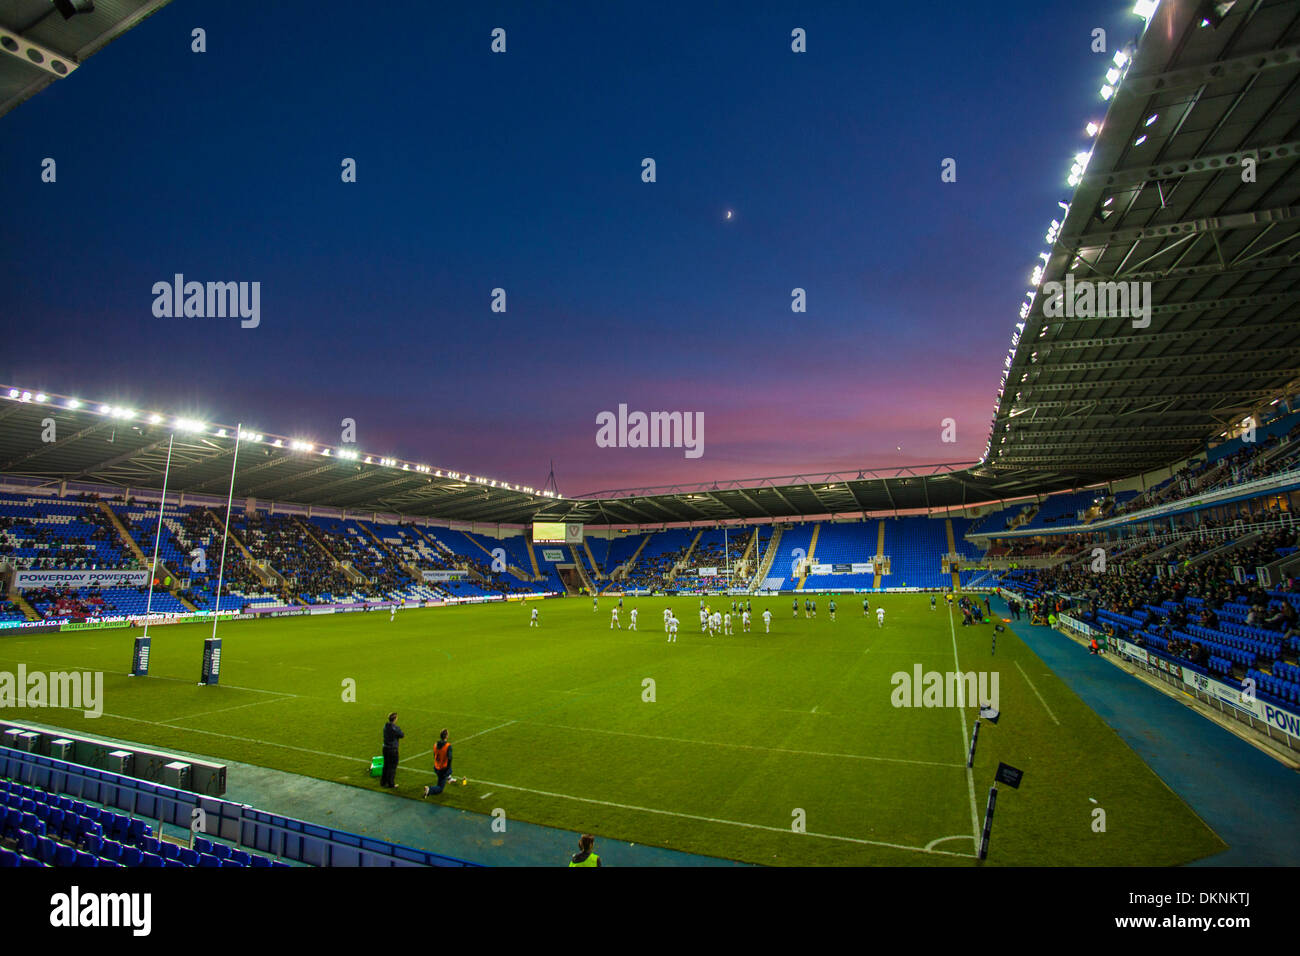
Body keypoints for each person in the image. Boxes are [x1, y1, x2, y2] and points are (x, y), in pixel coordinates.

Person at [423, 729, 453, 796]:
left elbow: (434, 755)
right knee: (440, 788)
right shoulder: (448, 746)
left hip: (436, 767)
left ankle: (449, 777)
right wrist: (447, 769)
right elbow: (450, 758)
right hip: (443, 769)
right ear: (447, 736)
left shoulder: (435, 744)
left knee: (448, 771)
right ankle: (429, 789)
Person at [381, 712, 404, 788]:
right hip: (392, 749)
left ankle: (383, 782)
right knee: (392, 767)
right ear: (395, 719)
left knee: (386, 765)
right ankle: (391, 784)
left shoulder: (385, 726)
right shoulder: (395, 728)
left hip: (385, 748)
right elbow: (402, 735)